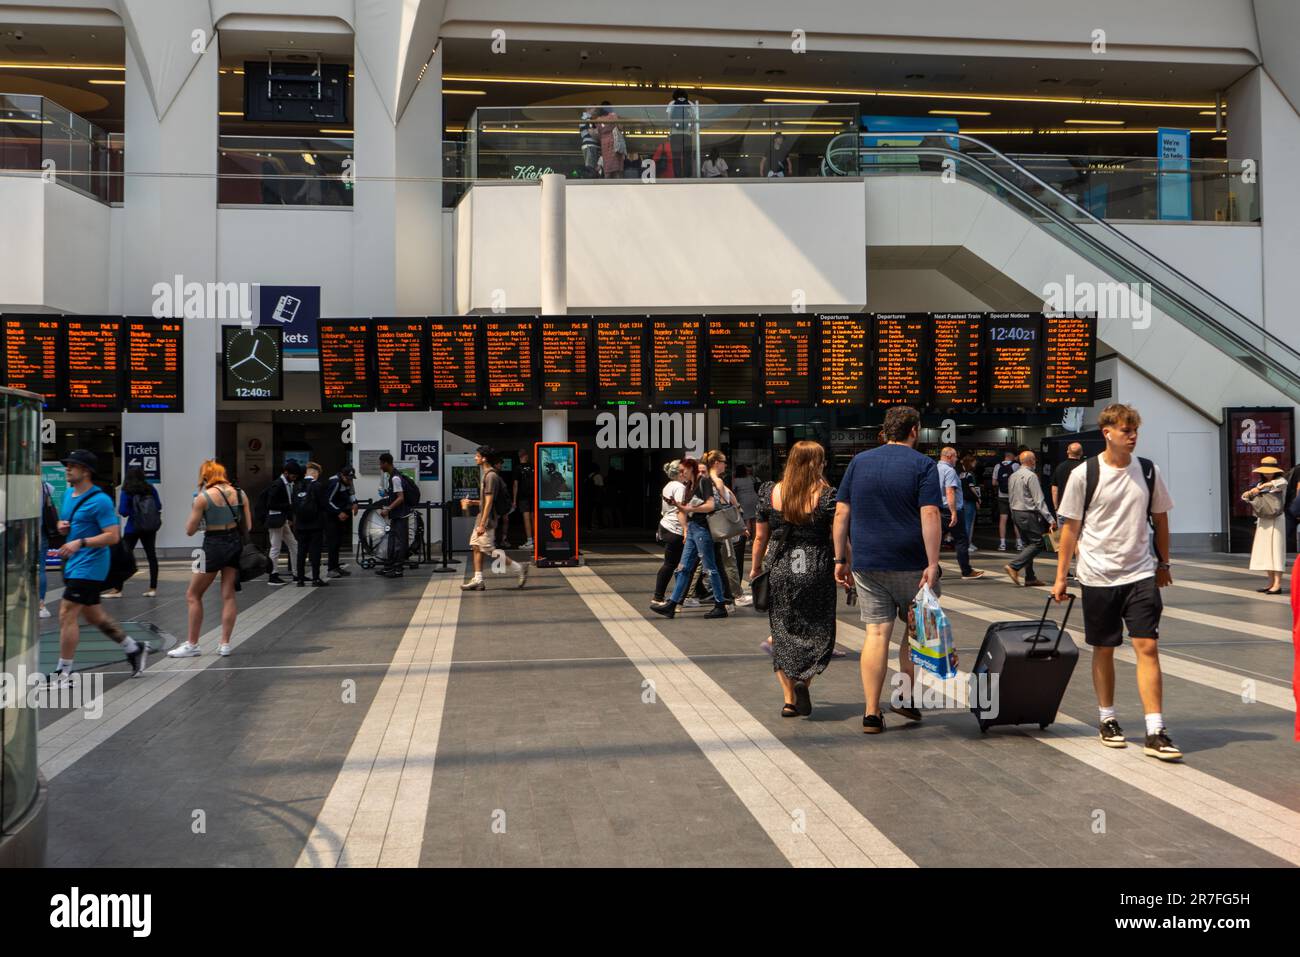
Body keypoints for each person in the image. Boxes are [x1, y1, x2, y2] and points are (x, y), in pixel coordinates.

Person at [1052, 403, 1180, 761]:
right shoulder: (1084, 474)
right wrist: (1061, 577)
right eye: (1126, 430)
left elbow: (1161, 519)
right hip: (1097, 575)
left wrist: (1164, 563)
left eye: (1135, 429)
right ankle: (1107, 718)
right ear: (1107, 433)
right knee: (1104, 647)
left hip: (1140, 573)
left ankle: (1155, 729)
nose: (1133, 436)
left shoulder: (1149, 471)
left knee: (1147, 647)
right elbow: (1070, 528)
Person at [833, 406, 943, 734]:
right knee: (915, 632)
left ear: (885, 431)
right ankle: (904, 697)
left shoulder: (859, 462)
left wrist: (841, 559)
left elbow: (841, 513)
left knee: (876, 634)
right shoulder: (924, 465)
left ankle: (870, 712)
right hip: (912, 563)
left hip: (868, 563)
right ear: (914, 431)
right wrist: (933, 563)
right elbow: (931, 514)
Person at [751, 441, 839, 717]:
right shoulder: (827, 496)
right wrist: (843, 564)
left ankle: (789, 700)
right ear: (819, 464)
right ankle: (804, 680)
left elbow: (759, 537)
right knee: (818, 629)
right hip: (816, 567)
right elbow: (839, 536)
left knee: (782, 631)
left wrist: (755, 569)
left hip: (779, 566)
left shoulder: (770, 492)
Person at [53, 450, 148, 681]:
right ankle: (133, 647)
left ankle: (63, 672)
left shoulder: (101, 500)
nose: (67, 469)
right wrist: (62, 527)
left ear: (86, 471)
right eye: (67, 465)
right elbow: (67, 522)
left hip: (91, 565)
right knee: (94, 616)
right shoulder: (68, 494)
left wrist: (81, 542)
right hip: (75, 564)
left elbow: (113, 536)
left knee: (66, 612)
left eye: (72, 465)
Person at [168, 459, 251, 659]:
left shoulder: (203, 498)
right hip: (234, 544)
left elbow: (189, 530)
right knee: (228, 595)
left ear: (206, 477)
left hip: (212, 545)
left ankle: (193, 644)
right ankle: (225, 644)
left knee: (193, 595)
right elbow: (247, 526)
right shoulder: (240, 493)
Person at [651, 451, 731, 619]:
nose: (681, 474)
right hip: (694, 530)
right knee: (684, 568)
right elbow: (685, 510)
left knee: (710, 568)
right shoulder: (688, 486)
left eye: (683, 470)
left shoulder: (704, 483)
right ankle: (672, 604)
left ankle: (720, 604)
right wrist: (683, 517)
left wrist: (689, 509)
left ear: (691, 469)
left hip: (703, 530)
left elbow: (710, 505)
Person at [460, 446, 528, 590]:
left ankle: (518, 568)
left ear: (484, 459)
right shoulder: (487, 475)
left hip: (487, 520)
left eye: (477, 456)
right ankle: (478, 579)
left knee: (489, 549)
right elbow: (486, 501)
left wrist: (483, 524)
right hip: (483, 518)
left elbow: (490, 502)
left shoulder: (491, 476)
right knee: (476, 546)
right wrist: (472, 502)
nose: (475, 458)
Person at [1004, 451, 1056, 587]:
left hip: (1016, 512)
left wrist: (1013, 513)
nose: (1036, 462)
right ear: (1031, 461)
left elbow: (1011, 497)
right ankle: (1014, 566)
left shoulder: (1013, 476)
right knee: (1038, 543)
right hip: (1028, 513)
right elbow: (1039, 500)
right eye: (1034, 460)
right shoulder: (1031, 476)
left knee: (1028, 544)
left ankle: (1030, 577)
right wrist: (1050, 519)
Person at [1241, 456, 1288, 595]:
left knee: (1277, 552)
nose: (1268, 473)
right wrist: (1250, 493)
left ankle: (1277, 584)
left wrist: (1260, 488)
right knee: (1267, 552)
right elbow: (1246, 496)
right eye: (1266, 471)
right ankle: (1270, 582)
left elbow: (1278, 483)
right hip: (1263, 520)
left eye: (1270, 471)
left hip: (1277, 519)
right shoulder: (1259, 484)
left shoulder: (1280, 481)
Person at [938, 447, 983, 579]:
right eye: (955, 457)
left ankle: (927, 566)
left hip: (938, 509)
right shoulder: (950, 471)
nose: (957, 460)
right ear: (950, 456)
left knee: (936, 541)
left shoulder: (934, 469)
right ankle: (966, 571)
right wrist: (953, 512)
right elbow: (950, 491)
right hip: (952, 509)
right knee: (961, 540)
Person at [118, 466, 162, 596]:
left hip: (133, 528)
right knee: (151, 557)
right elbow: (159, 506)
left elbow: (123, 511)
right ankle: (152, 589)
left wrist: (133, 511)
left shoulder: (126, 490)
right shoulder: (150, 488)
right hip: (149, 527)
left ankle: (117, 589)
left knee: (123, 556)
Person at [654, 459, 693, 604]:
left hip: (666, 526)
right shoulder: (680, 488)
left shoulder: (668, 485)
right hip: (675, 528)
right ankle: (664, 596)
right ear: (681, 473)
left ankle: (677, 596)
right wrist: (685, 530)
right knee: (675, 564)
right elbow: (680, 510)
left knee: (674, 563)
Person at [292, 462, 329, 587]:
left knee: (301, 551)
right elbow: (324, 505)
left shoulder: (297, 486)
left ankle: (300, 579)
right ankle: (315, 578)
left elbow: (294, 505)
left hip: (301, 525)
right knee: (315, 552)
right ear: (315, 473)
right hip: (315, 524)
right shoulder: (318, 486)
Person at [263, 460, 301, 584]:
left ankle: (297, 573)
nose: (294, 479)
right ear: (286, 473)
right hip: (276, 520)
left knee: (294, 545)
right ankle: (272, 575)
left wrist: (288, 516)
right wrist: (288, 506)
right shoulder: (278, 484)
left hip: (282, 520)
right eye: (293, 476)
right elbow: (270, 504)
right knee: (275, 547)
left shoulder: (285, 484)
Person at [376, 453, 411, 579]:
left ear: (386, 463)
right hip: (396, 516)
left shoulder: (395, 478)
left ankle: (398, 570)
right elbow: (395, 495)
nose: (380, 466)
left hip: (400, 515)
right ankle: (389, 567)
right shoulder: (392, 476)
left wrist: (388, 509)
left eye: (381, 463)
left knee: (399, 543)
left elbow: (401, 498)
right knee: (392, 541)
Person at [323, 465, 358, 578]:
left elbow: (351, 493)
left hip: (341, 516)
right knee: (333, 543)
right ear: (342, 475)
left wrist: (355, 503)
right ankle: (331, 569)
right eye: (348, 478)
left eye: (351, 478)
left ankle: (336, 567)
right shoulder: (335, 483)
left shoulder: (348, 481)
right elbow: (328, 501)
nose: (350, 480)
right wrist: (338, 512)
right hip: (332, 517)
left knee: (338, 543)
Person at [991, 450, 1022, 551]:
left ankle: (1002, 544)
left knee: (1003, 519)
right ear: (1011, 456)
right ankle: (1019, 543)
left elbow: (993, 483)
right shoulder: (1016, 465)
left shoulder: (997, 466)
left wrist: (1002, 484)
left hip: (1002, 496)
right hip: (1014, 496)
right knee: (1015, 519)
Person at [39, 476, 57, 618]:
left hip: (23, 533)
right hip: (42, 532)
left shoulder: (18, 485)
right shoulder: (45, 486)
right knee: (41, 569)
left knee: (22, 570)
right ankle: (41, 605)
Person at [1051, 442, 1086, 513]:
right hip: (1079, 510)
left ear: (1067, 452)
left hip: (1062, 509)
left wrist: (1056, 508)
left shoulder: (1060, 467)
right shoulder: (1085, 467)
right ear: (1081, 453)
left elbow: (1054, 490)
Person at [594, 102, 625, 179]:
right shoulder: (613, 116)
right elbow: (621, 127)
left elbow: (598, 133)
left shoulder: (598, 119)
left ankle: (607, 184)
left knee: (607, 167)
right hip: (615, 141)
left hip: (604, 143)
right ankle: (618, 185)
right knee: (617, 167)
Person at [958, 454, 981, 550]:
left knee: (966, 522)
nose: (975, 464)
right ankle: (967, 544)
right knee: (969, 523)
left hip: (962, 500)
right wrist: (978, 498)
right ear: (970, 463)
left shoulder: (961, 474)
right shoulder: (970, 475)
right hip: (970, 500)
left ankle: (968, 543)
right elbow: (972, 488)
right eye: (974, 463)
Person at [514, 448, 535, 551]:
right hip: (534, 496)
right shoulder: (533, 466)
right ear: (526, 456)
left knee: (527, 518)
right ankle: (535, 540)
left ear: (519, 456)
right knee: (533, 518)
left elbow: (515, 485)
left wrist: (514, 500)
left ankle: (530, 541)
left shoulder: (518, 468)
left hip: (524, 496)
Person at [579, 106, 600, 173]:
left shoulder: (585, 118)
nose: (596, 112)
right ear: (589, 109)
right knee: (591, 168)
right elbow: (592, 132)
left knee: (592, 167)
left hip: (589, 145)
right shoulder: (588, 119)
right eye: (595, 110)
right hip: (590, 145)